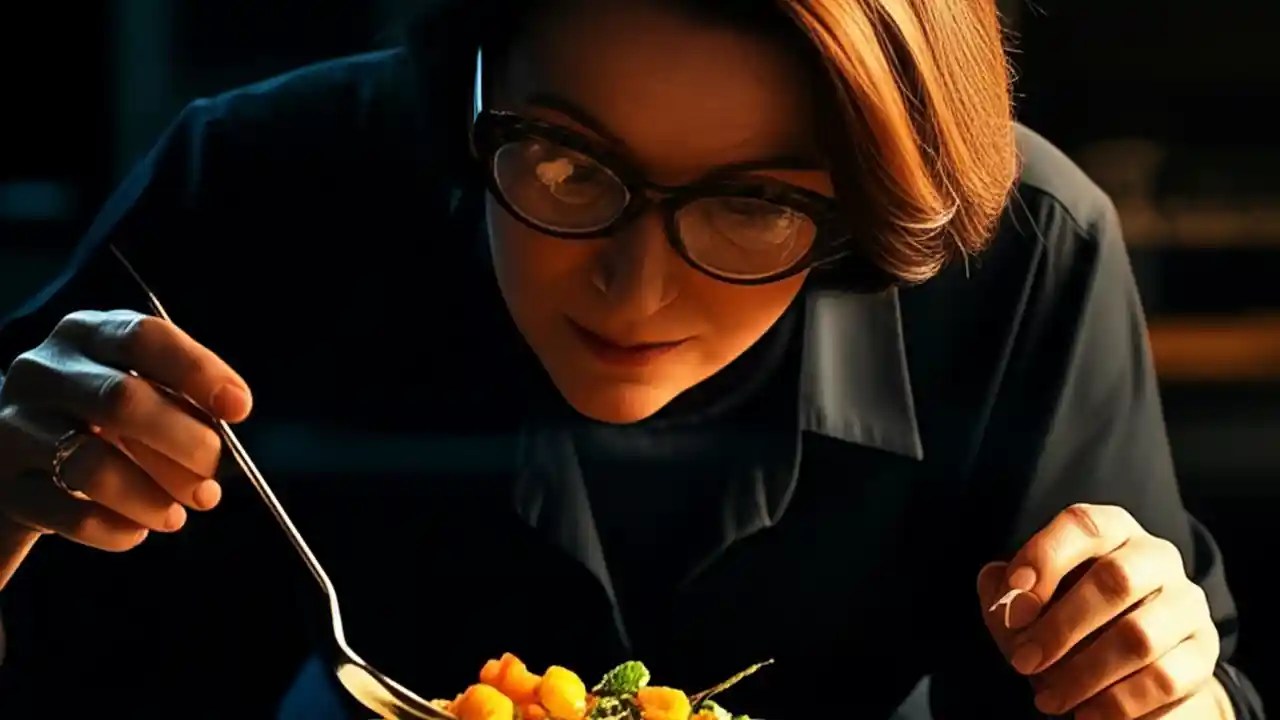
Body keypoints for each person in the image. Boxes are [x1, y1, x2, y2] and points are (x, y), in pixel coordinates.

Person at [0, 0, 1266, 717]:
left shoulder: (1013, 253)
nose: (634, 287)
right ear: (469, 89)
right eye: (560, 162)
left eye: (756, 205)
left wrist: (1167, 694)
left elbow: (1150, 696)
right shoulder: (256, 188)